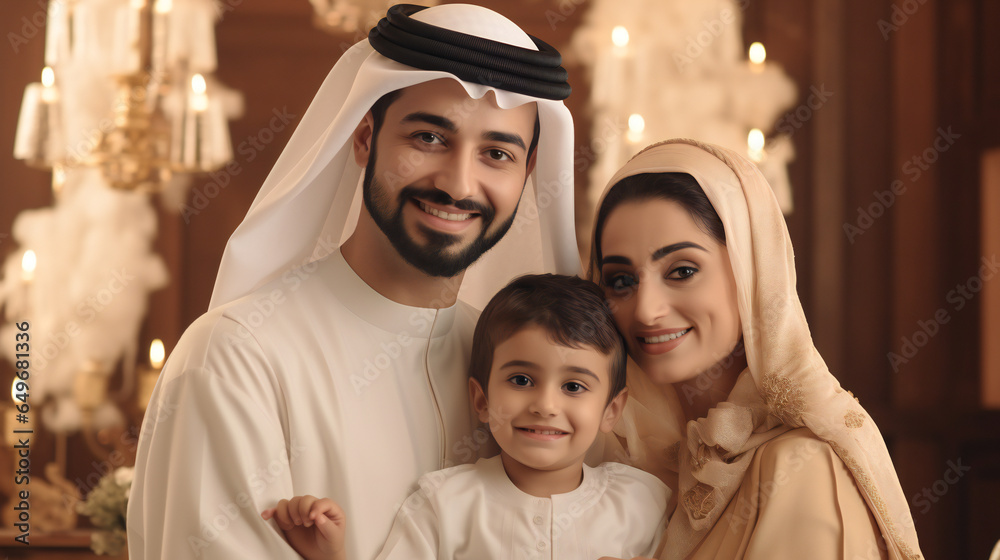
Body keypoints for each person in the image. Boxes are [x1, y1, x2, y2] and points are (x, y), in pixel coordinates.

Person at [127, 5, 580, 559]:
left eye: (496, 154)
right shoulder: (236, 356)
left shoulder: (519, 369)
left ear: (526, 175)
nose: (459, 183)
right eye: (430, 138)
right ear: (364, 137)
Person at [587, 138, 924, 559]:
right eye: (620, 280)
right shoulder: (622, 458)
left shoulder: (803, 467)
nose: (647, 310)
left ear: (751, 270)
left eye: (682, 270)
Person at [260, 274, 670, 560]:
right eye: (522, 379)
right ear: (481, 399)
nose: (546, 405)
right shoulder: (444, 505)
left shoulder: (643, 502)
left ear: (611, 410)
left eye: (574, 387)